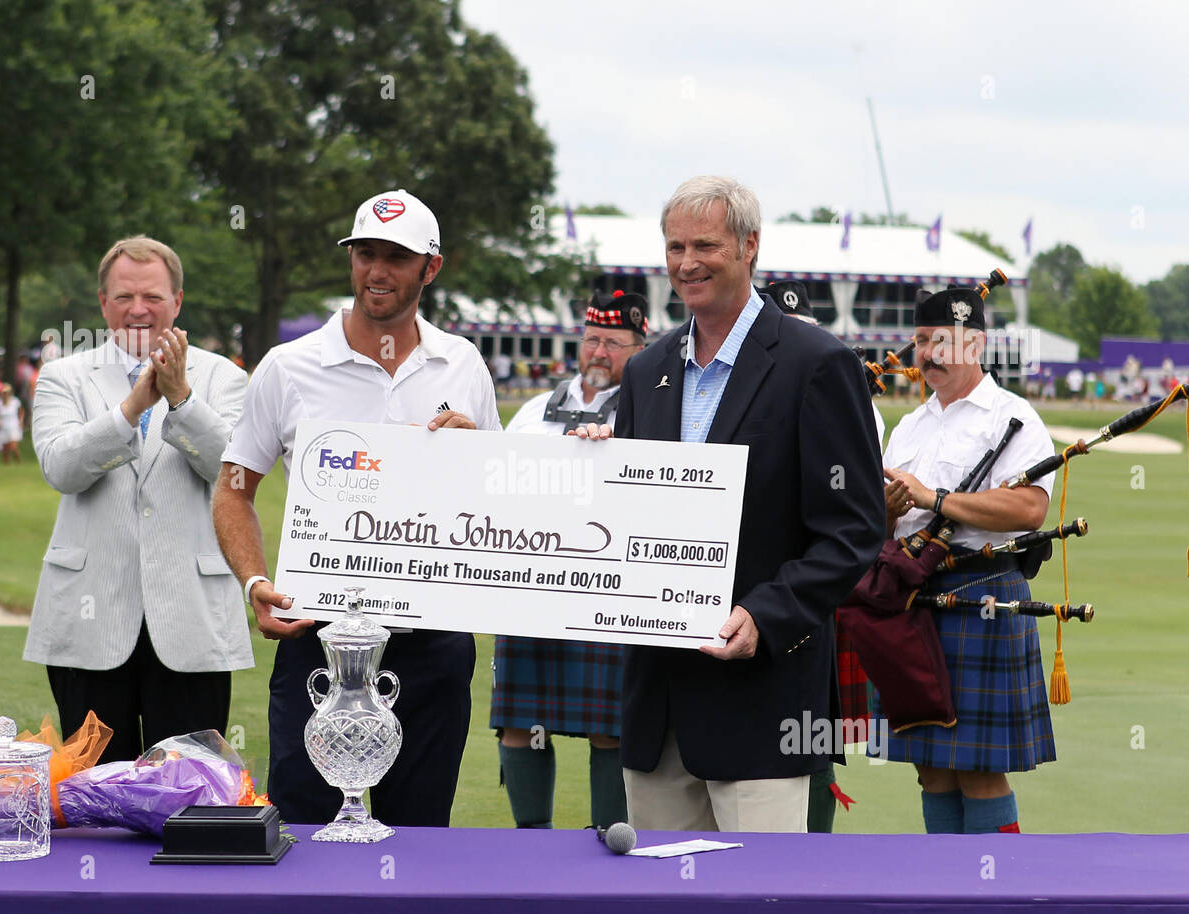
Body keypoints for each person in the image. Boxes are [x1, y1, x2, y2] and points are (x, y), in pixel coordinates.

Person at [577, 176, 885, 833]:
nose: (688, 263)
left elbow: (854, 531)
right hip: (656, 711)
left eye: (706, 246)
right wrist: (586, 477)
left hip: (762, 707)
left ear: (750, 246)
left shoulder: (819, 364)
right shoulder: (644, 371)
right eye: (675, 247)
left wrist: (766, 614)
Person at [212, 188, 501, 826]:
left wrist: (476, 455)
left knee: (421, 834)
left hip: (432, 638)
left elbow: (497, 504)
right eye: (365, 253)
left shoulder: (463, 364)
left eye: (397, 257)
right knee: (305, 831)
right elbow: (234, 486)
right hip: (319, 636)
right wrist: (256, 581)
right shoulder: (290, 367)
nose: (377, 271)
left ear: (431, 267)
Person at [22, 236, 252, 765]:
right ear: (103, 303)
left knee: (190, 789)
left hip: (191, 617)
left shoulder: (224, 377)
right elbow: (62, 469)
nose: (139, 309)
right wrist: (129, 410)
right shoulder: (64, 377)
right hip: (89, 618)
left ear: (178, 300)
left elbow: (232, 473)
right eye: (124, 297)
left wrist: (181, 399)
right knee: (93, 790)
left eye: (152, 296)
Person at [877, 287, 1056, 834]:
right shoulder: (909, 427)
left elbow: (1030, 507)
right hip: (914, 599)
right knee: (931, 767)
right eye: (922, 341)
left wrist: (935, 498)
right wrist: (886, 514)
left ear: (976, 343)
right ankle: (948, 892)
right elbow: (883, 527)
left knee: (980, 769)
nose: (929, 354)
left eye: (943, 341)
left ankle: (997, 897)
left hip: (984, 592)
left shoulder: (1014, 417)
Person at [490, 289, 648, 829]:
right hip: (532, 587)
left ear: (639, 347)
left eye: (615, 343)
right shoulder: (533, 411)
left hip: (611, 588)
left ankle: (609, 835)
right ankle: (531, 840)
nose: (600, 352)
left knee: (611, 723)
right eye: (592, 340)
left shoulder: (649, 410)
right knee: (520, 720)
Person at [764, 278, 889, 832]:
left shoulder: (848, 399)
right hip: (748, 577)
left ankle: (808, 858)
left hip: (813, 583)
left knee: (812, 732)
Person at [0, 383, 25, 463]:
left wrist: (21, 421)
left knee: (13, 447)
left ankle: (19, 462)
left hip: (13, 426)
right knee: (5, 449)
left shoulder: (15, 401)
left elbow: (21, 412)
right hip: (3, 426)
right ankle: (6, 465)